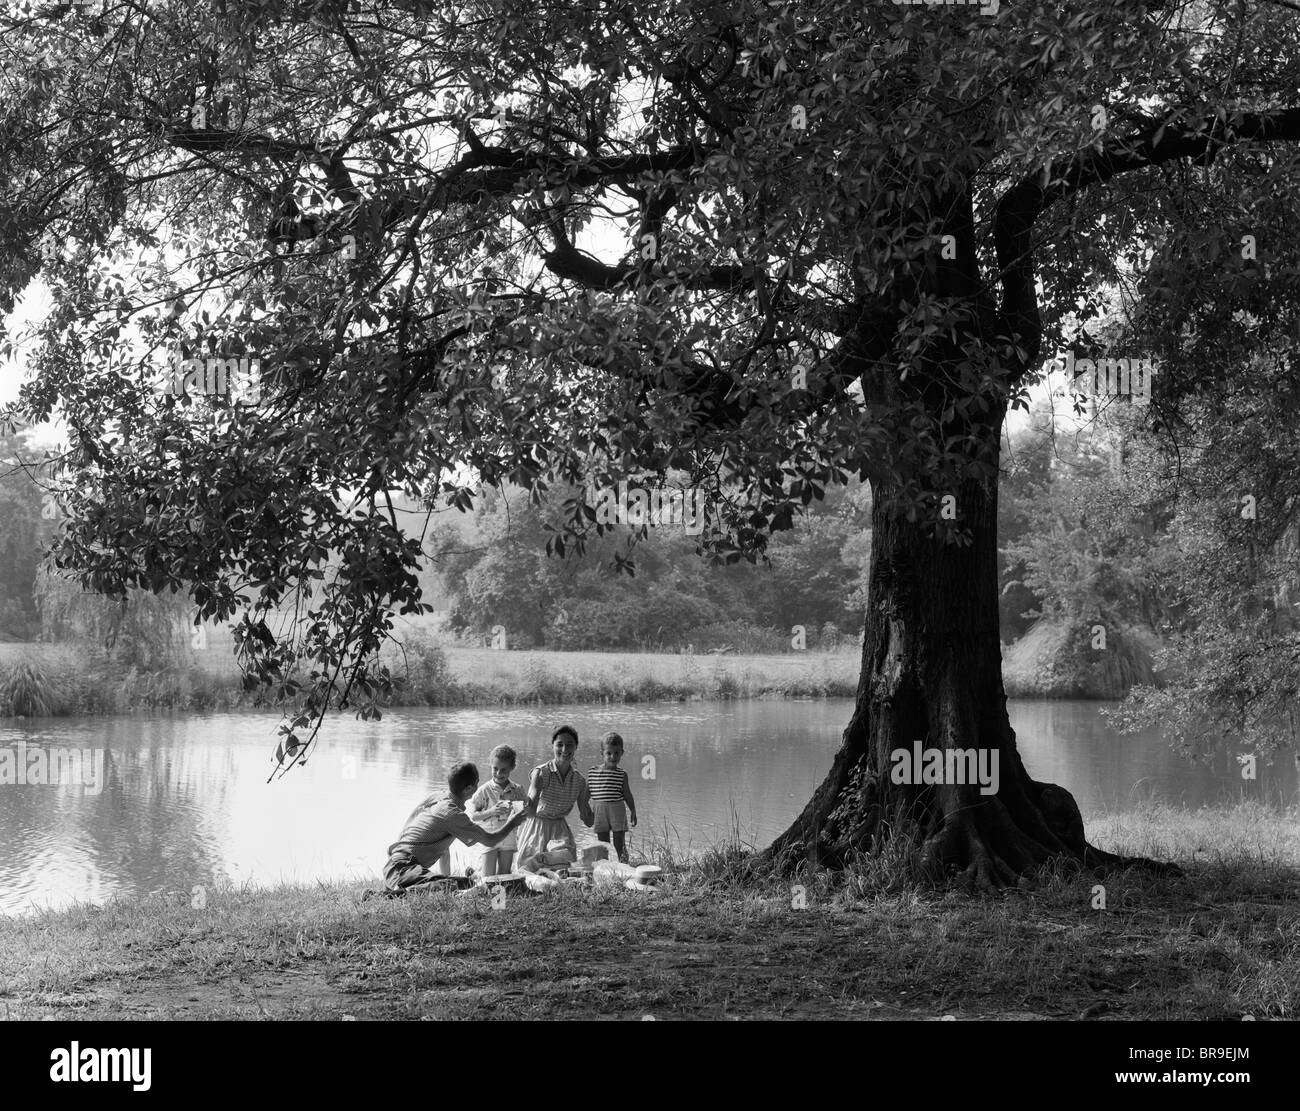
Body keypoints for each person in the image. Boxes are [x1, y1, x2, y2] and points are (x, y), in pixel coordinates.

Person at [381, 761, 534, 895]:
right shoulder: (452, 814)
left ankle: (400, 888)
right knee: (451, 885)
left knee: (464, 883)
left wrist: (444, 875)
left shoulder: (438, 796)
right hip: (403, 868)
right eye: (477, 782)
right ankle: (390, 894)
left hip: (399, 865)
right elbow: (490, 840)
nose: (478, 785)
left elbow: (440, 847)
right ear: (469, 789)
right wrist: (513, 822)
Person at [514, 724, 593, 870]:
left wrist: (598, 797)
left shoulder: (579, 781)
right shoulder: (541, 773)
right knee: (530, 869)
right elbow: (530, 811)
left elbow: (588, 821)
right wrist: (519, 801)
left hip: (559, 828)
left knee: (563, 868)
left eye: (570, 745)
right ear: (552, 746)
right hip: (537, 826)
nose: (564, 750)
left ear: (576, 747)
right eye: (560, 745)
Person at [467, 744, 528, 876]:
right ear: (491, 766)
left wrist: (517, 811)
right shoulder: (484, 790)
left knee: (504, 876)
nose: (498, 773)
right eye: (495, 769)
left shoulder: (517, 790)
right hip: (489, 837)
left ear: (512, 768)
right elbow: (474, 816)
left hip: (509, 838)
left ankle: (501, 896)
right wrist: (492, 811)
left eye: (503, 770)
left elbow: (523, 816)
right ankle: (479, 882)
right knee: (487, 877)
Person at [587, 731, 637, 863]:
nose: (613, 756)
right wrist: (585, 812)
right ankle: (605, 869)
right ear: (602, 753)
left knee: (619, 843)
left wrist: (633, 811)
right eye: (608, 753)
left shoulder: (622, 774)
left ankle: (625, 866)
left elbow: (627, 794)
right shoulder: (592, 772)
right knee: (603, 844)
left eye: (616, 753)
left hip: (617, 811)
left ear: (622, 753)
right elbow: (586, 795)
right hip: (599, 812)